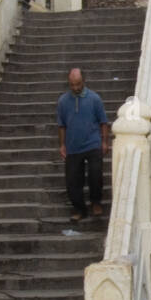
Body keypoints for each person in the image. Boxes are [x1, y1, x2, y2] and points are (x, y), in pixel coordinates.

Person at [57, 68, 110, 221]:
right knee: (73, 181)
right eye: (72, 85)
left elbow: (103, 122)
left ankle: (96, 202)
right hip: (73, 146)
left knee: (95, 175)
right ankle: (79, 209)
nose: (75, 88)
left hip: (93, 144)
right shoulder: (63, 101)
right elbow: (62, 125)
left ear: (83, 81)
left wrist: (104, 142)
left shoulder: (94, 99)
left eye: (78, 84)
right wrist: (62, 145)